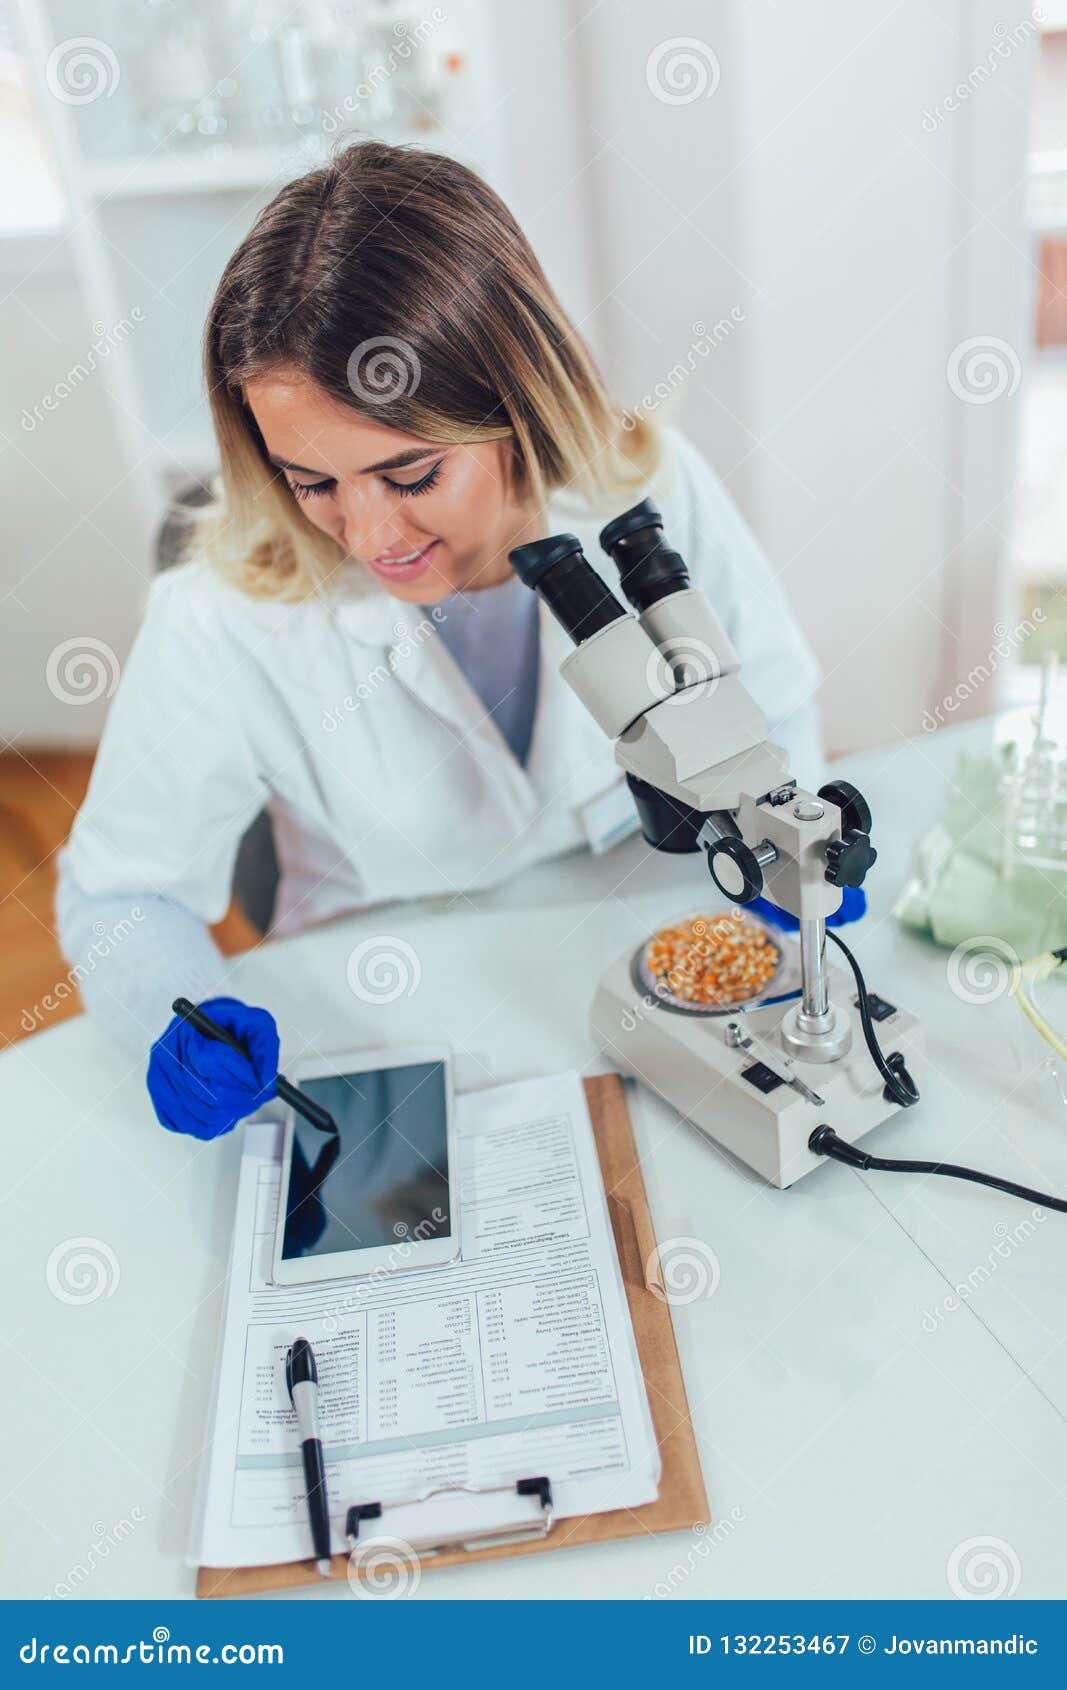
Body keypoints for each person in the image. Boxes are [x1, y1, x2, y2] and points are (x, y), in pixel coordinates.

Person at [56, 140, 823, 1139]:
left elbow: (772, 699)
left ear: (513, 405)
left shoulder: (644, 494)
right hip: (375, 1018)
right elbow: (124, 894)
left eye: (409, 476)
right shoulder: (222, 613)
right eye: (313, 482)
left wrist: (786, 886)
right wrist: (174, 1017)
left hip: (653, 977)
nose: (370, 537)